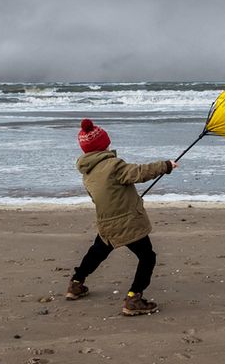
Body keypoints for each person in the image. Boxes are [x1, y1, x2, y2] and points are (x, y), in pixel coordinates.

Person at [66, 118, 177, 315]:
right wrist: (166, 165)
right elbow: (139, 173)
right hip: (126, 222)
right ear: (103, 145)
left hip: (106, 223)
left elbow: (101, 196)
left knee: (97, 252)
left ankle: (76, 283)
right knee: (147, 257)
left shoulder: (87, 173)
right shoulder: (114, 165)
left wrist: (125, 198)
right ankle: (134, 299)